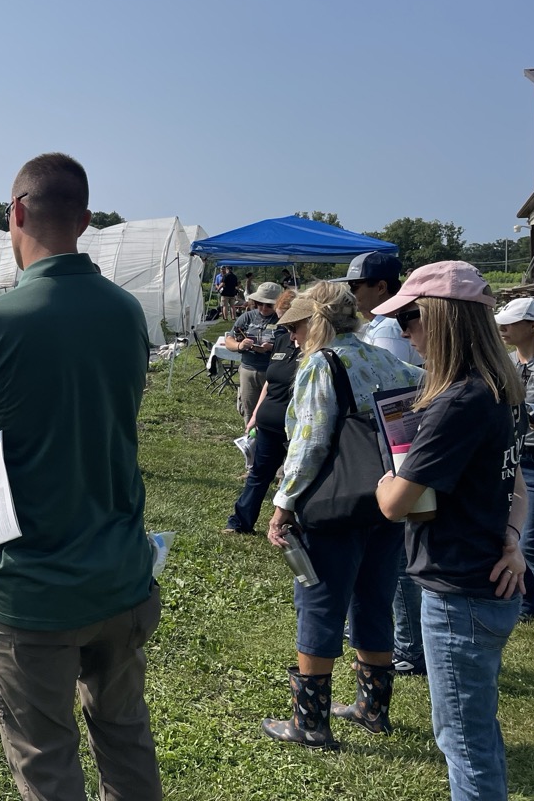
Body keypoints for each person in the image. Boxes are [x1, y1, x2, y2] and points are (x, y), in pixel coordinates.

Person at [0, 153, 161, 801]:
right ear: (85, 220)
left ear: (16, 214)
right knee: (125, 738)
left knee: (48, 762)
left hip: (31, 592)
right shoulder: (125, 314)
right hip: (120, 575)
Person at [375, 262, 528, 801]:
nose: (405, 331)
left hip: (458, 590)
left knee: (463, 742)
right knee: (476, 732)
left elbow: (395, 505)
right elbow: (519, 486)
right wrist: (513, 541)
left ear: (442, 319)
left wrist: (383, 479)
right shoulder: (502, 389)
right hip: (487, 580)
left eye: (411, 318)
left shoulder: (456, 401)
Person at [261, 281, 420, 749]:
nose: (291, 336)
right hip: (386, 500)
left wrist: (283, 504)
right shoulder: (390, 360)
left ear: (316, 323)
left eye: (295, 327)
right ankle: (373, 709)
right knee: (375, 599)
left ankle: (309, 722)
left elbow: (310, 442)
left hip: (333, 504)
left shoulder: (322, 364)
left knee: (320, 603)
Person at [332, 251, 425, 675]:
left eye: (357, 286)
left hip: (389, 451)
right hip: (393, 450)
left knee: (397, 556)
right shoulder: (383, 326)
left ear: (381, 287)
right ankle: (387, 638)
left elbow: (385, 397)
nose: (352, 294)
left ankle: (406, 646)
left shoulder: (388, 330)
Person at [223, 290, 298, 535]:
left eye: (287, 320)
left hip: (296, 426)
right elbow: (270, 381)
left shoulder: (314, 346)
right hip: (269, 422)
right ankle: (240, 523)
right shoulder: (282, 339)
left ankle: (291, 525)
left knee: (294, 475)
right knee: (258, 474)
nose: (283, 325)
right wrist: (255, 414)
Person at [494, 297, 534, 620]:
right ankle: (529, 607)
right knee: (515, 533)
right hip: (514, 457)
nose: (503, 329)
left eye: (510, 323)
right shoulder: (508, 364)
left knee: (527, 541)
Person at [224, 282, 284, 422]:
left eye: (269, 305)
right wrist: (240, 346)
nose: (263, 308)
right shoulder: (247, 317)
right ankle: (249, 439)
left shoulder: (283, 319)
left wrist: (271, 348)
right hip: (248, 369)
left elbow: (293, 345)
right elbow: (229, 340)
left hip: (272, 370)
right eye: (260, 303)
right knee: (248, 409)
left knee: (270, 410)